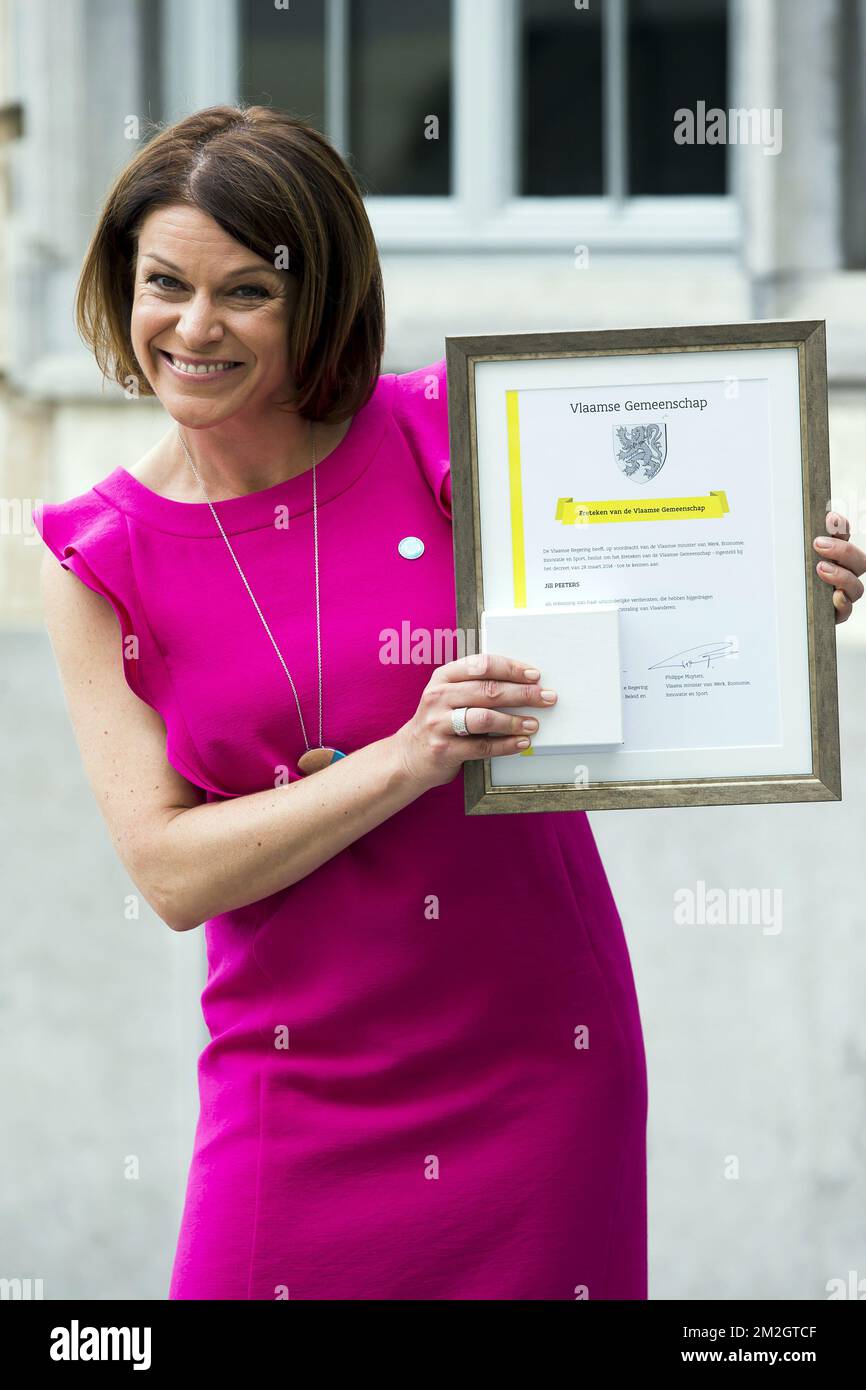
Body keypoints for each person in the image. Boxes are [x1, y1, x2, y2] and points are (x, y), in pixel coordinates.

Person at [32, 105, 865, 1301]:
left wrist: (770, 601)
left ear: (315, 298)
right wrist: (408, 754)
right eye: (165, 283)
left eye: (246, 293)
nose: (194, 328)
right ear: (122, 286)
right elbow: (169, 873)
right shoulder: (99, 558)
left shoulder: (445, 430)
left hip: (533, 1061)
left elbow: (635, 609)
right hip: (288, 1083)